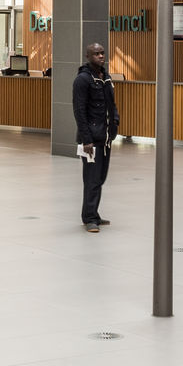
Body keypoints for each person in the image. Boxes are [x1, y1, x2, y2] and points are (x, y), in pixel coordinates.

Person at [72, 42, 118, 232]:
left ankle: (94, 214)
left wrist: (115, 122)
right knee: (91, 179)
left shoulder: (105, 77)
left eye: (102, 53)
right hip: (91, 139)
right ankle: (89, 218)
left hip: (105, 137)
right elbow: (79, 111)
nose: (101, 56)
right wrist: (86, 139)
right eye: (96, 54)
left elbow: (111, 104)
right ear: (88, 56)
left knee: (100, 178)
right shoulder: (83, 80)